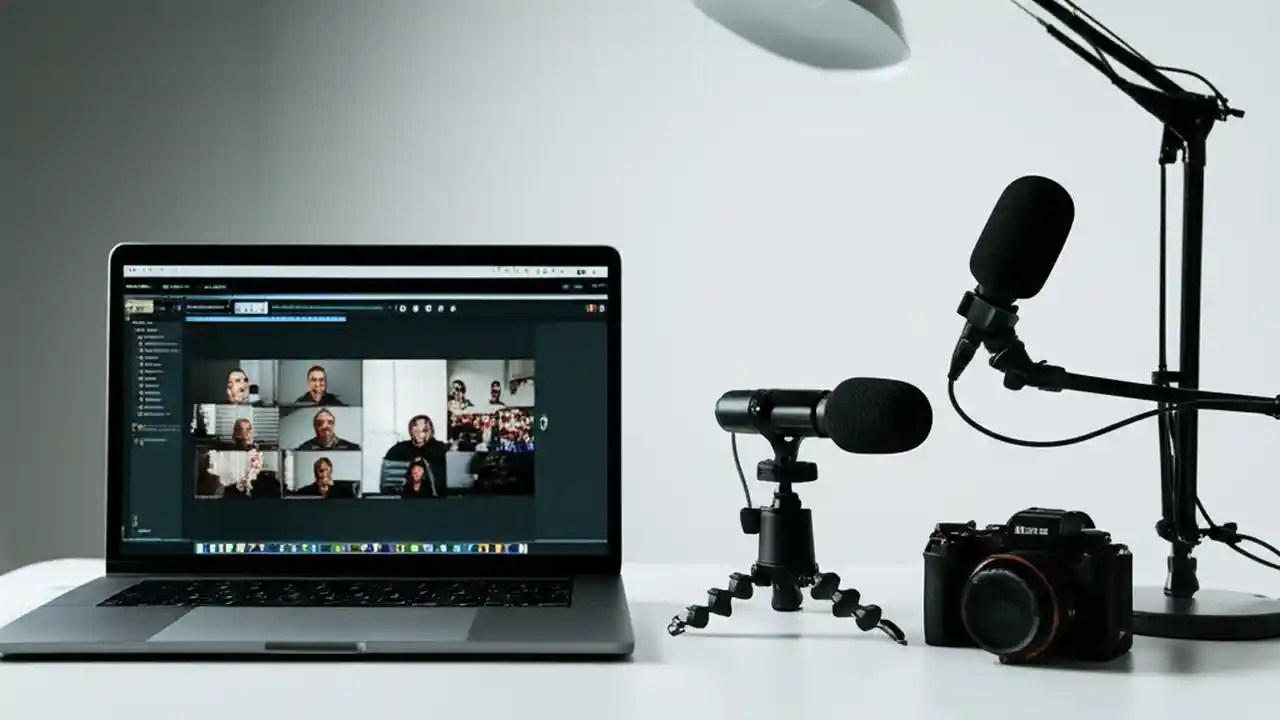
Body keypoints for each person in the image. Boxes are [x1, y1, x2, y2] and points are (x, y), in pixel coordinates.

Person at [383, 414, 448, 494]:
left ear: (432, 431)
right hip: (405, 500)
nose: (421, 434)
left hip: (436, 500)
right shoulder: (398, 450)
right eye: (416, 431)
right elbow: (387, 484)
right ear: (411, 431)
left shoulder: (441, 449)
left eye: (425, 430)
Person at [295, 408, 360, 450]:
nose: (325, 426)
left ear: (333, 425)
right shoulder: (304, 448)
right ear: (315, 427)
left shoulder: (351, 448)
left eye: (330, 422)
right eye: (320, 423)